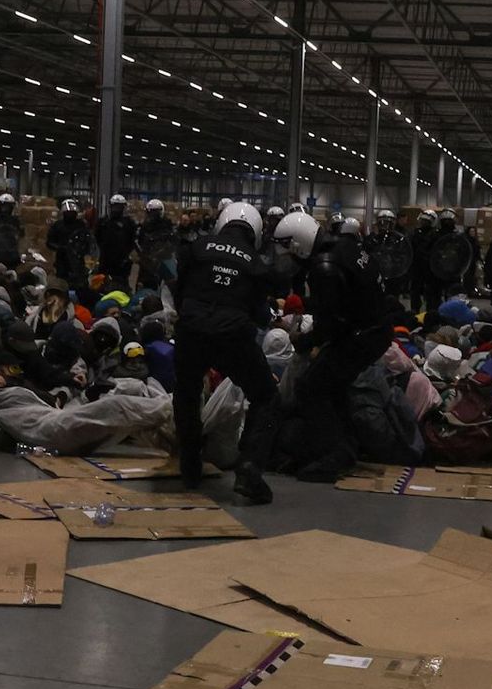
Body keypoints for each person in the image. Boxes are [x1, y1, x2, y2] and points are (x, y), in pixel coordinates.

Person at [170, 201, 281, 503]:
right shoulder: (257, 263)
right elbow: (259, 314)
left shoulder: (197, 247)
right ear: (256, 232)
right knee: (266, 396)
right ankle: (249, 468)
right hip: (232, 335)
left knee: (187, 393)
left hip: (191, 330)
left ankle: (190, 467)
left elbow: (180, 292)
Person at [282, 209, 397, 480]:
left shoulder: (324, 266)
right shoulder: (346, 247)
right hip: (374, 330)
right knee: (332, 384)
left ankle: (335, 454)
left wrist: (304, 341)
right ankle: (346, 445)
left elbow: (330, 322)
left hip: (362, 335)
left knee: (311, 387)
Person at [46, 199, 91, 288]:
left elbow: (88, 240)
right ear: (63, 213)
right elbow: (49, 242)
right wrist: (61, 248)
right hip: (62, 260)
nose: (70, 214)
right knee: (62, 284)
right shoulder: (58, 225)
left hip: (77, 260)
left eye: (72, 212)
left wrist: (82, 249)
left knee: (80, 284)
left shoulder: (81, 225)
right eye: (68, 213)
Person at [95, 194, 138, 286]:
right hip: (105, 260)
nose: (116, 209)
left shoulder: (129, 223)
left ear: (123, 207)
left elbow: (132, 240)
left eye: (119, 206)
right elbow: (97, 238)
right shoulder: (103, 222)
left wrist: (126, 253)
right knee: (101, 285)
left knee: (122, 285)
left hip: (122, 261)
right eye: (114, 206)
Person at [135, 198, 175, 291]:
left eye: (155, 212)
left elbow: (172, 242)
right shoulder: (145, 226)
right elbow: (140, 241)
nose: (153, 215)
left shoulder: (166, 224)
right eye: (151, 212)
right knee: (144, 285)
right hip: (148, 260)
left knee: (169, 284)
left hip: (164, 260)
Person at [407, 209, 438, 317]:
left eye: (426, 221)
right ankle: (414, 310)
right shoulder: (415, 233)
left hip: (430, 269)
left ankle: (431, 313)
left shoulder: (435, 235)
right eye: (423, 221)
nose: (423, 223)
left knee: (431, 293)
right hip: (416, 268)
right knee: (415, 292)